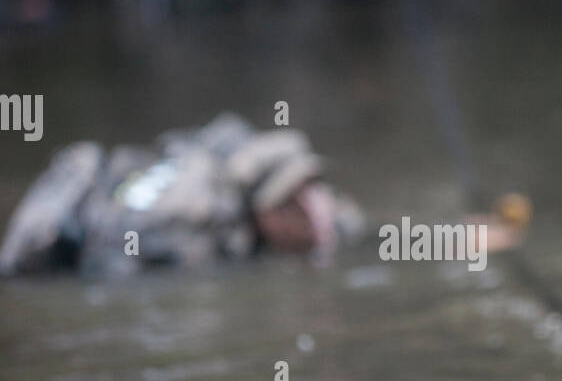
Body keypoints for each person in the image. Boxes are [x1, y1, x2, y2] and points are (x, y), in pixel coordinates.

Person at [0, 112, 363, 277]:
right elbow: (107, 262)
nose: (309, 209)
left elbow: (347, 221)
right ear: (265, 212)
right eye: (290, 204)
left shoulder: (235, 164)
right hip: (87, 216)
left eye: (309, 191)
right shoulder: (190, 232)